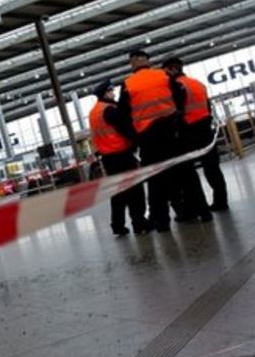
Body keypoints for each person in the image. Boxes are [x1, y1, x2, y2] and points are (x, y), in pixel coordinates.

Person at [119, 50, 211, 232]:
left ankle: (162, 222)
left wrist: (135, 136)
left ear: (132, 64)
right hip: (173, 132)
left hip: (149, 139)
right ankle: (203, 212)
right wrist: (177, 116)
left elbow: (123, 115)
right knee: (187, 174)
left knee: (156, 181)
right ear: (148, 60)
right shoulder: (163, 75)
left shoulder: (127, 84)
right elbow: (180, 96)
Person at [164, 57, 229, 211]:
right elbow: (207, 106)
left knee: (187, 171)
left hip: (188, 132)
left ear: (173, 69)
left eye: (166, 71)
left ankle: (197, 205)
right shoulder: (198, 83)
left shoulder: (176, 86)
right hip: (206, 129)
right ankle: (221, 201)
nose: (165, 75)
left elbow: (177, 110)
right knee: (212, 168)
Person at [89, 79, 149, 236]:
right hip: (122, 155)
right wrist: (137, 141)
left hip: (108, 158)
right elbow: (124, 128)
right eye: (111, 91)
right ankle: (139, 223)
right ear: (106, 93)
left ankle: (117, 225)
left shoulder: (94, 111)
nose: (113, 93)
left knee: (119, 192)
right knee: (135, 190)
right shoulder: (109, 110)